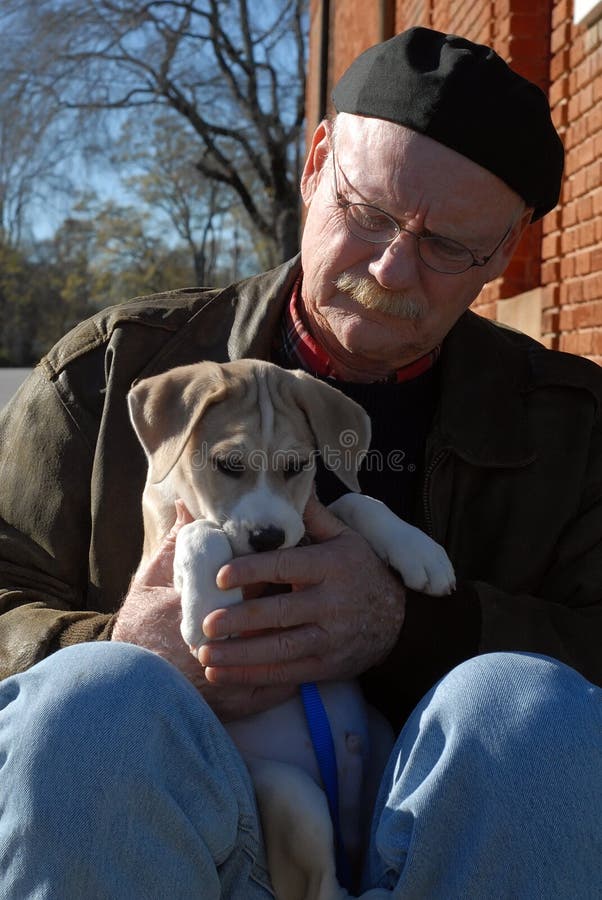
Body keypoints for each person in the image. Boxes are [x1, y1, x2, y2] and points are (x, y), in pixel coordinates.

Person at [0, 25, 600, 898]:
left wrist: (412, 625)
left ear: (502, 253)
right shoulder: (108, 374)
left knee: (530, 716)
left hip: (462, 846)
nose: (392, 267)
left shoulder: (575, 426)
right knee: (89, 707)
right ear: (318, 162)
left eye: (446, 246)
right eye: (370, 212)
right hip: (179, 831)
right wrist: (117, 648)